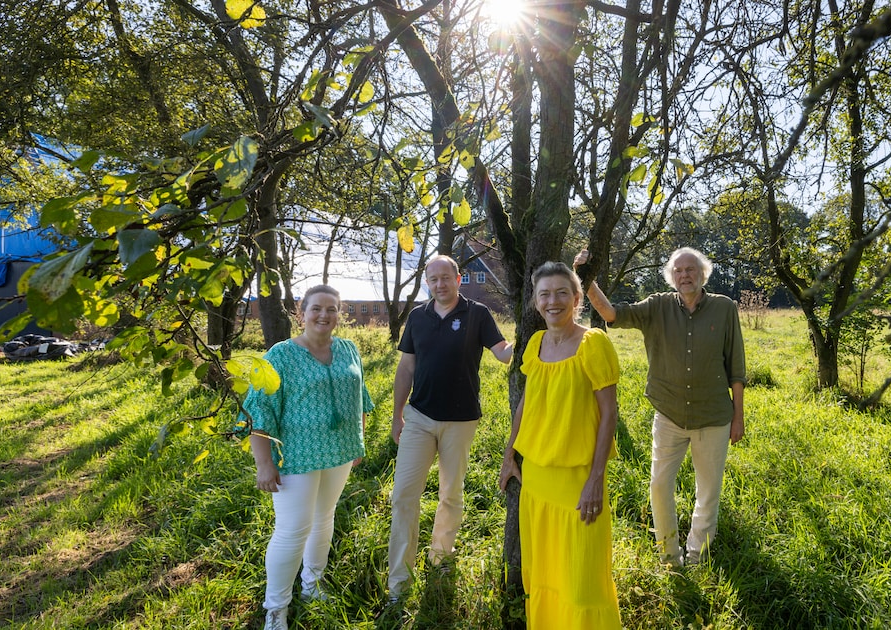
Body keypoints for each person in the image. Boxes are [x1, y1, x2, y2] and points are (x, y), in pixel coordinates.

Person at [575, 247, 746, 566]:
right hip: (668, 415)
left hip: (714, 417)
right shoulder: (656, 306)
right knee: (659, 484)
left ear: (703, 274)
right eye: (679, 270)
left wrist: (739, 417)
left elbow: (736, 366)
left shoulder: (724, 308)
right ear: (671, 276)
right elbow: (612, 314)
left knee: (708, 492)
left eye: (691, 269)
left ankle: (697, 554)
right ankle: (669, 554)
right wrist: (587, 277)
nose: (685, 275)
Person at [498, 261, 623, 629]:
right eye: (545, 294)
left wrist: (595, 479)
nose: (553, 301)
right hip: (537, 481)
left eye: (561, 293)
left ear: (577, 298)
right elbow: (527, 402)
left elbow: (609, 413)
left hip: (578, 482)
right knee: (545, 576)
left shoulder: (593, 343)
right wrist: (510, 454)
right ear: (536, 301)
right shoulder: (535, 343)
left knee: (582, 581)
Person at [242, 285, 374, 630]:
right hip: (295, 458)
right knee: (291, 531)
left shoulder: (349, 348)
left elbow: (360, 395)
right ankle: (276, 610)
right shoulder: (280, 355)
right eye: (316, 308)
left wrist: (356, 441)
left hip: (340, 454)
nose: (324, 315)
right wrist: (264, 464)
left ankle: (313, 587)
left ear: (339, 313)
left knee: (324, 518)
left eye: (332, 309)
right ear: (300, 313)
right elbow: (259, 411)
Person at [387, 255, 512, 602]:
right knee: (403, 498)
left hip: (461, 420)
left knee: (450, 493)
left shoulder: (477, 314)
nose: (440, 284)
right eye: (433, 279)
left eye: (446, 277)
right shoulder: (417, 316)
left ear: (458, 279)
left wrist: (522, 346)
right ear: (428, 281)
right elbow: (406, 368)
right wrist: (397, 415)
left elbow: (501, 350)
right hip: (420, 418)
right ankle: (399, 580)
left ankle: (441, 556)